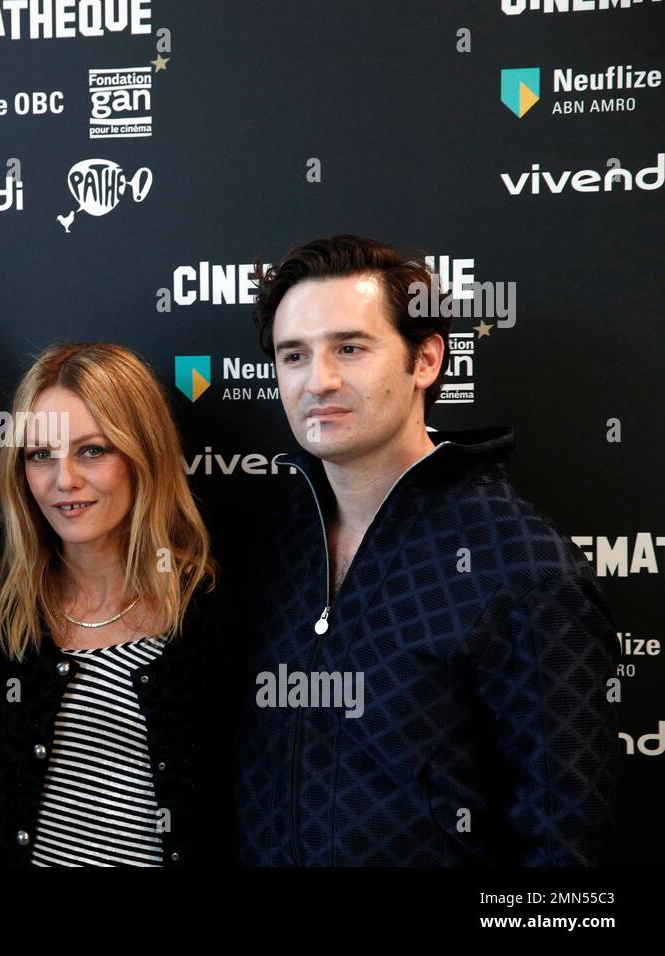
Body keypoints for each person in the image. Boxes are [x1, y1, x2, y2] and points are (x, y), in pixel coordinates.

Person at [231, 235, 618, 866]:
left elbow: (566, 845)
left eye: (349, 349)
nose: (318, 381)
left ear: (427, 360)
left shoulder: (520, 565)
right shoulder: (271, 543)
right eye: (293, 355)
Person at [0, 342, 230, 866]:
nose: (65, 481)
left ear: (143, 453)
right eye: (41, 456)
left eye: (92, 450)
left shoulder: (212, 608)